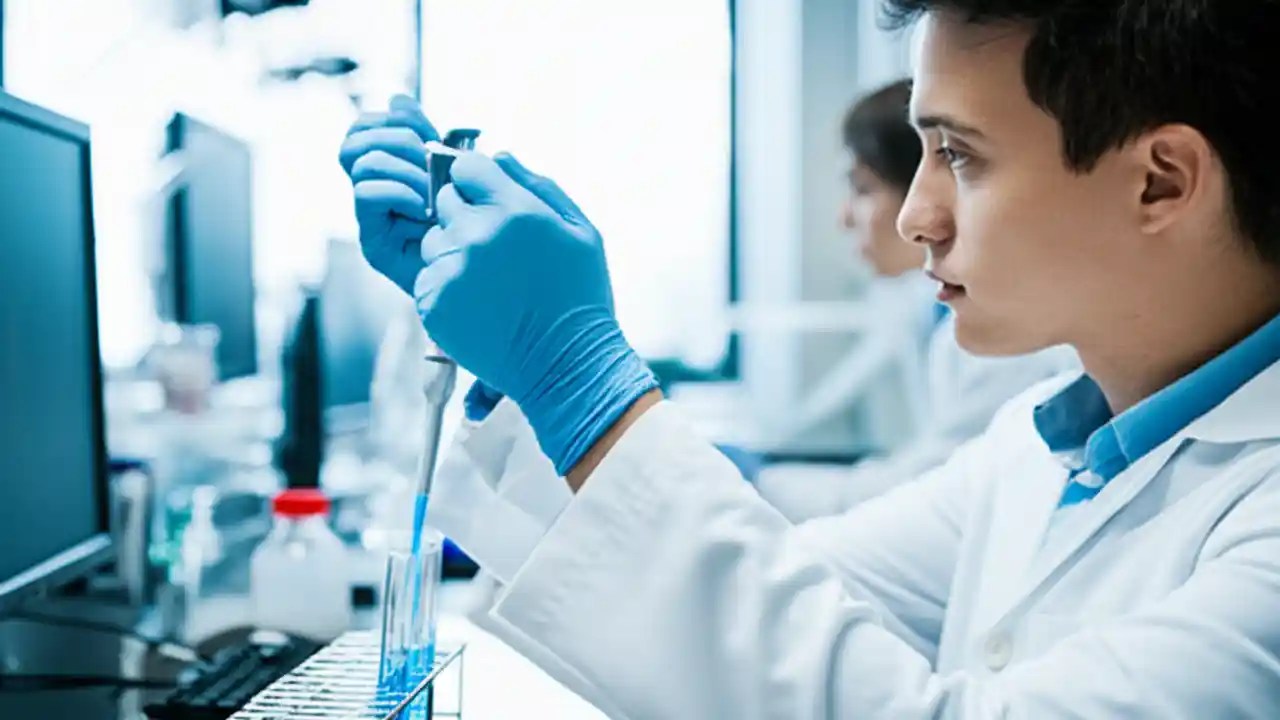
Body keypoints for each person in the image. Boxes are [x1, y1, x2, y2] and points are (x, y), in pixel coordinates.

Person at [339, 0, 1280, 715]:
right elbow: (765, 599)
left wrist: (585, 385)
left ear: (1161, 182)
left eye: (961, 156)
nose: (916, 217)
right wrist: (521, 376)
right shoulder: (1041, 448)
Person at [756, 80, 1078, 521]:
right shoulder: (925, 309)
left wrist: (755, 480)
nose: (845, 217)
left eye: (864, 189)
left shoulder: (1001, 333)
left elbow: (934, 492)